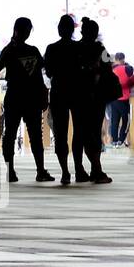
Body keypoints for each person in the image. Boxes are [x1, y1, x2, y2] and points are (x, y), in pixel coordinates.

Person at [0, 18, 53, 183]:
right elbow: (39, 74)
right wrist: (43, 95)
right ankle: (40, 171)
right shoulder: (32, 50)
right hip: (31, 97)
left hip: (13, 95)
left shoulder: (8, 50)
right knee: (35, 135)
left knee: (9, 134)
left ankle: (10, 171)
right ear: (25, 31)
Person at [43, 15, 84, 184]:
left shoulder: (52, 48)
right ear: (73, 29)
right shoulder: (79, 48)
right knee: (79, 132)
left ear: (59, 30)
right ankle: (79, 169)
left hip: (59, 92)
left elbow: (49, 72)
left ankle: (65, 172)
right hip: (77, 91)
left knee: (60, 133)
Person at [73, 18, 112, 183]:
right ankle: (96, 169)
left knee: (79, 133)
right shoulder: (100, 49)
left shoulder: (76, 49)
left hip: (78, 95)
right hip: (96, 97)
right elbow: (108, 70)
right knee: (94, 133)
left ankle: (79, 170)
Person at [106, 52, 133, 146]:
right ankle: (121, 140)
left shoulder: (111, 70)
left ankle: (114, 141)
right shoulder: (127, 68)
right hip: (124, 98)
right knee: (127, 120)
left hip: (113, 99)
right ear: (123, 59)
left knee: (114, 120)